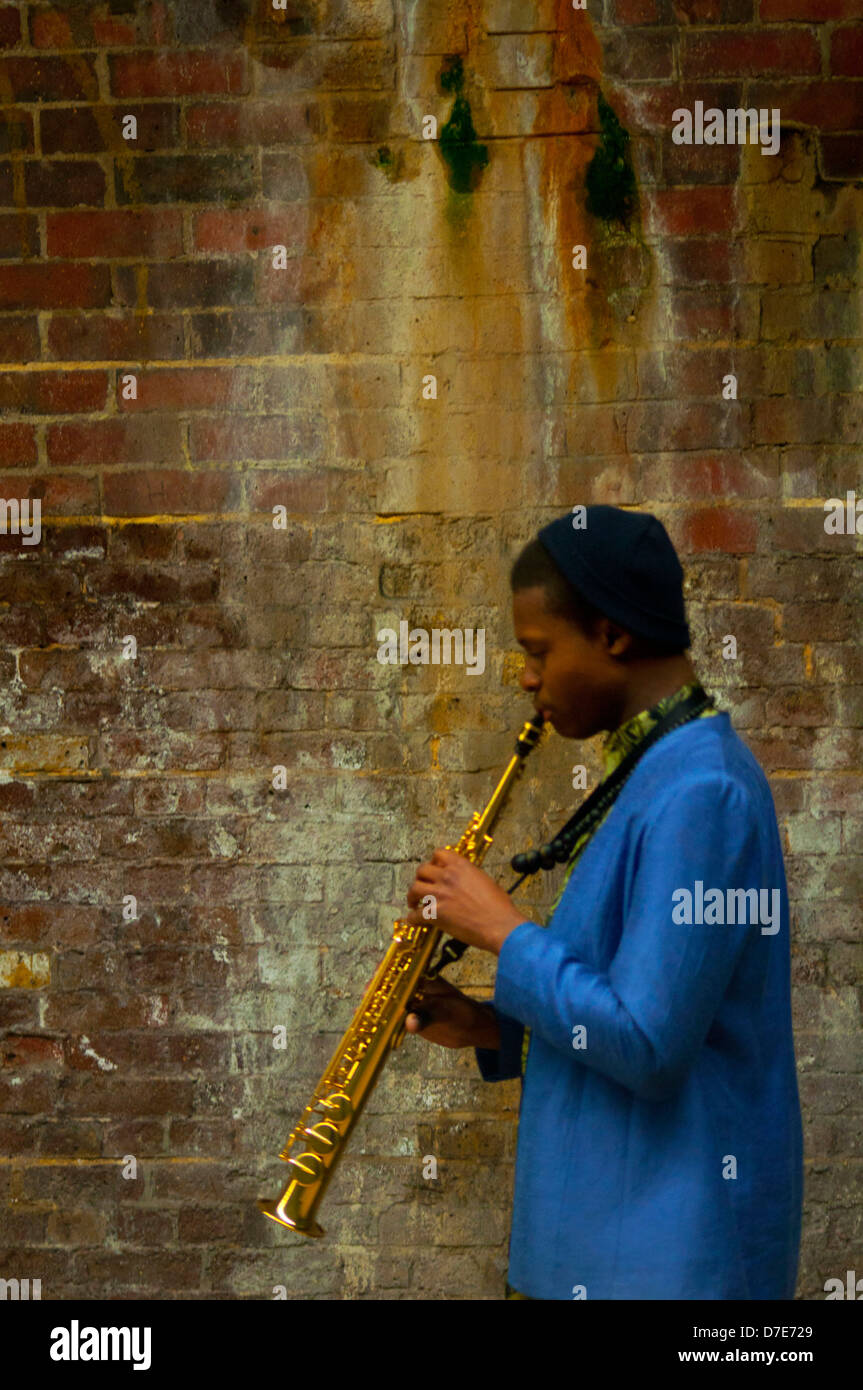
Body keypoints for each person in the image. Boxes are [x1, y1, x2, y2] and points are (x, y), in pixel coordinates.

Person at [404, 504, 803, 1300]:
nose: (525, 677)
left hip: (669, 1263)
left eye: (538, 651)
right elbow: (644, 1019)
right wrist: (489, 1026)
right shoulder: (656, 773)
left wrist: (502, 932)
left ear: (612, 636)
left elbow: (651, 1048)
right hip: (618, 1253)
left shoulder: (701, 790)